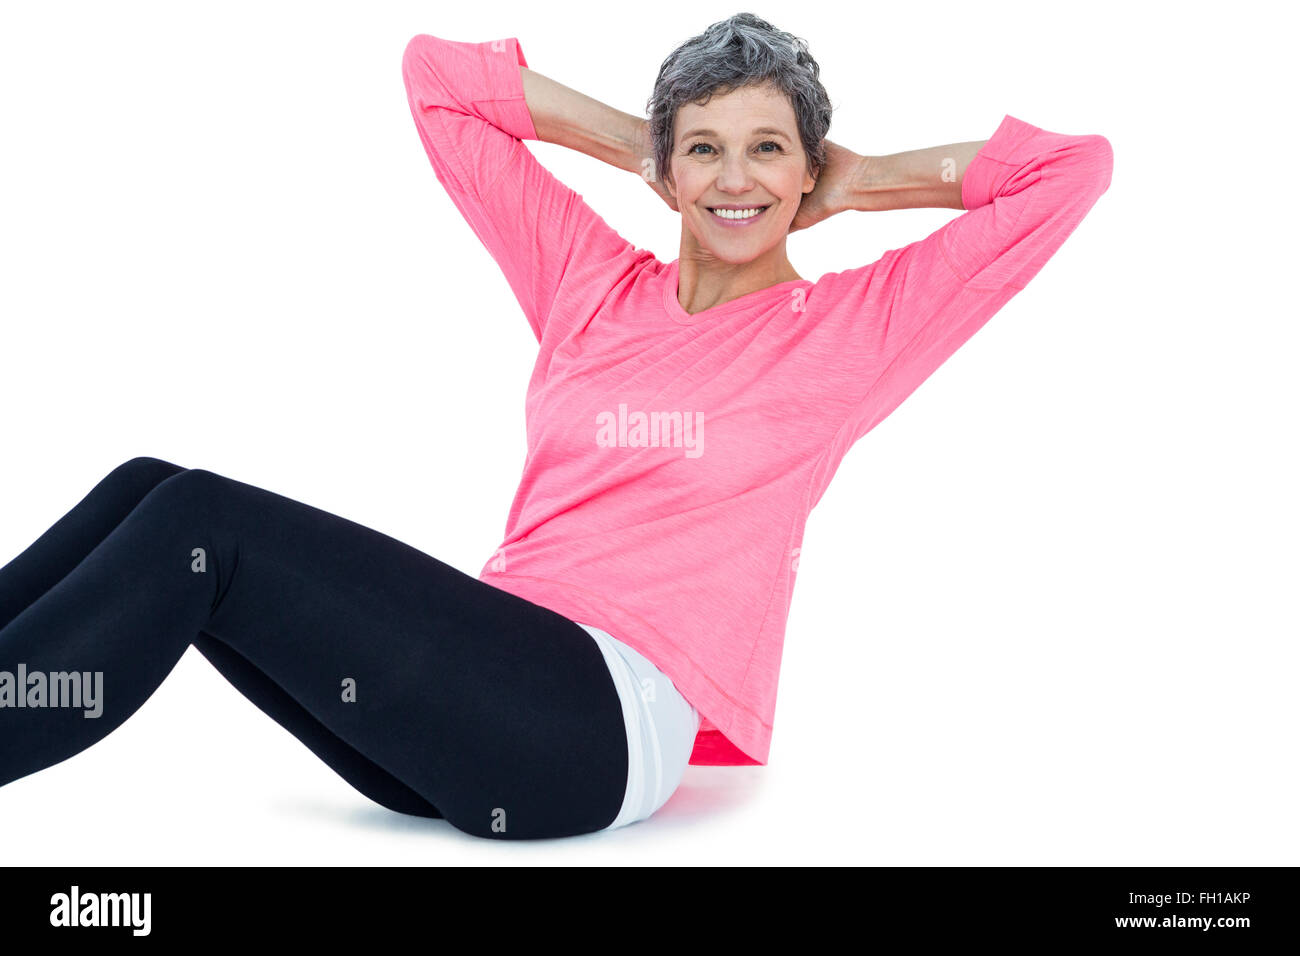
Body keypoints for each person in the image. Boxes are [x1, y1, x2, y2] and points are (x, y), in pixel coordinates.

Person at [0, 13, 1111, 840]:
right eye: (704, 148)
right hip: (467, 704)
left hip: (587, 730)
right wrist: (639, 134)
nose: (734, 178)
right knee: (151, 484)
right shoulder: (590, 281)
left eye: (768, 149)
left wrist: (860, 183)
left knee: (202, 524)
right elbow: (434, 82)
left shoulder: (852, 330)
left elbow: (1072, 170)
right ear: (667, 171)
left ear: (804, 169)